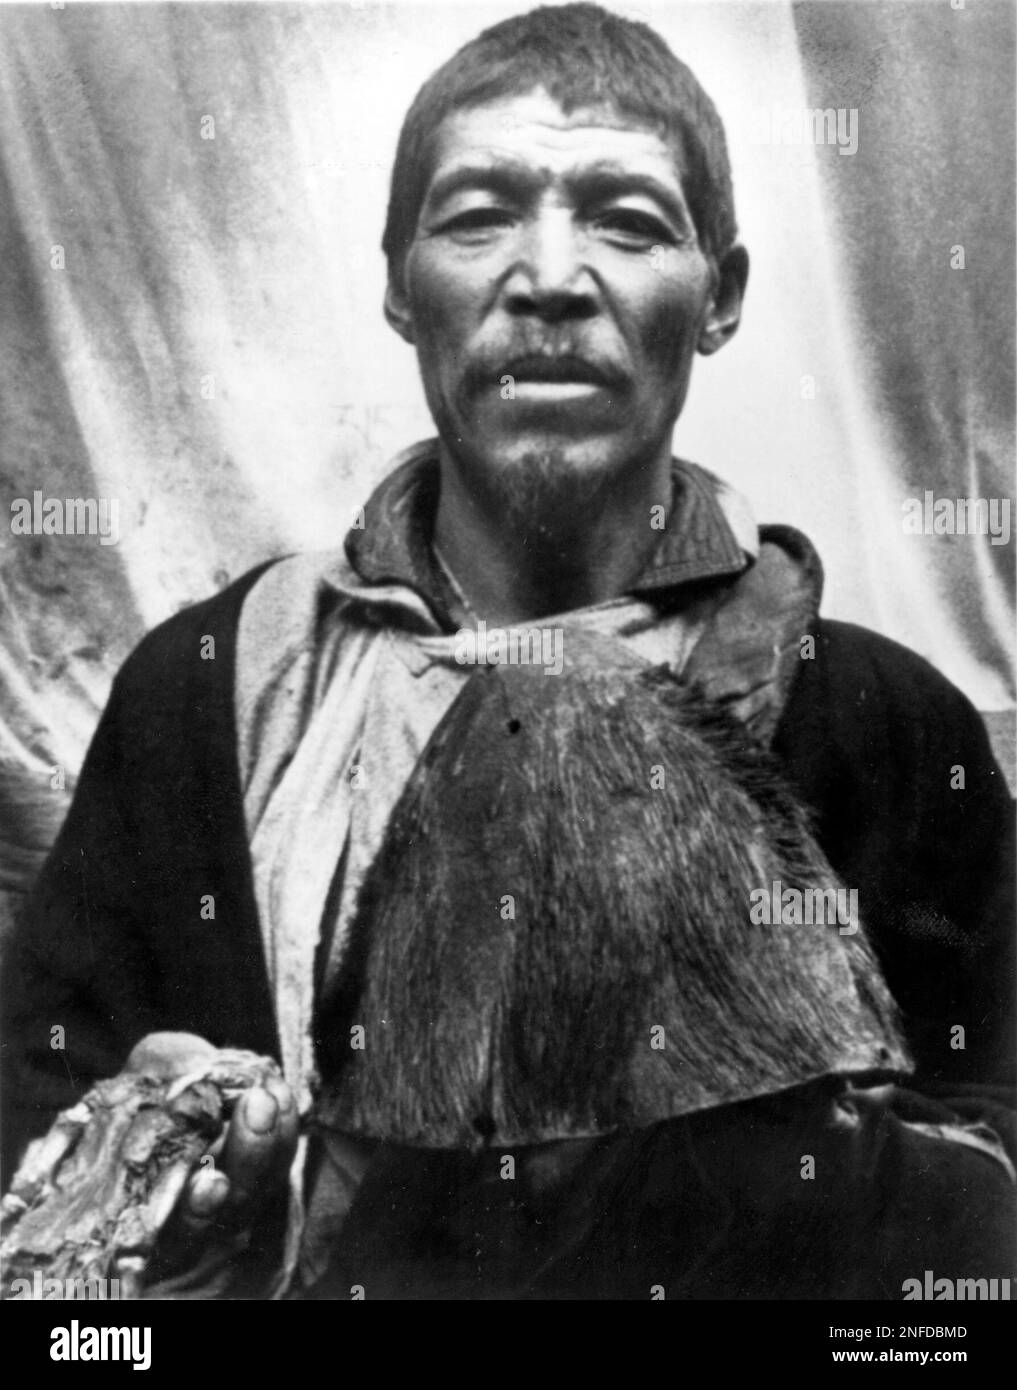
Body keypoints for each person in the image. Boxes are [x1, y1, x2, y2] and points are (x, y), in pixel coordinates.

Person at [2, 3, 1013, 1300]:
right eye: (477, 214)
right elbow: (42, 1117)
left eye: (627, 219)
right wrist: (166, 1176)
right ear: (395, 279)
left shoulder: (881, 722)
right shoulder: (206, 688)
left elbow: (990, 1184)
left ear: (722, 296)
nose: (547, 276)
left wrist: (775, 1148)